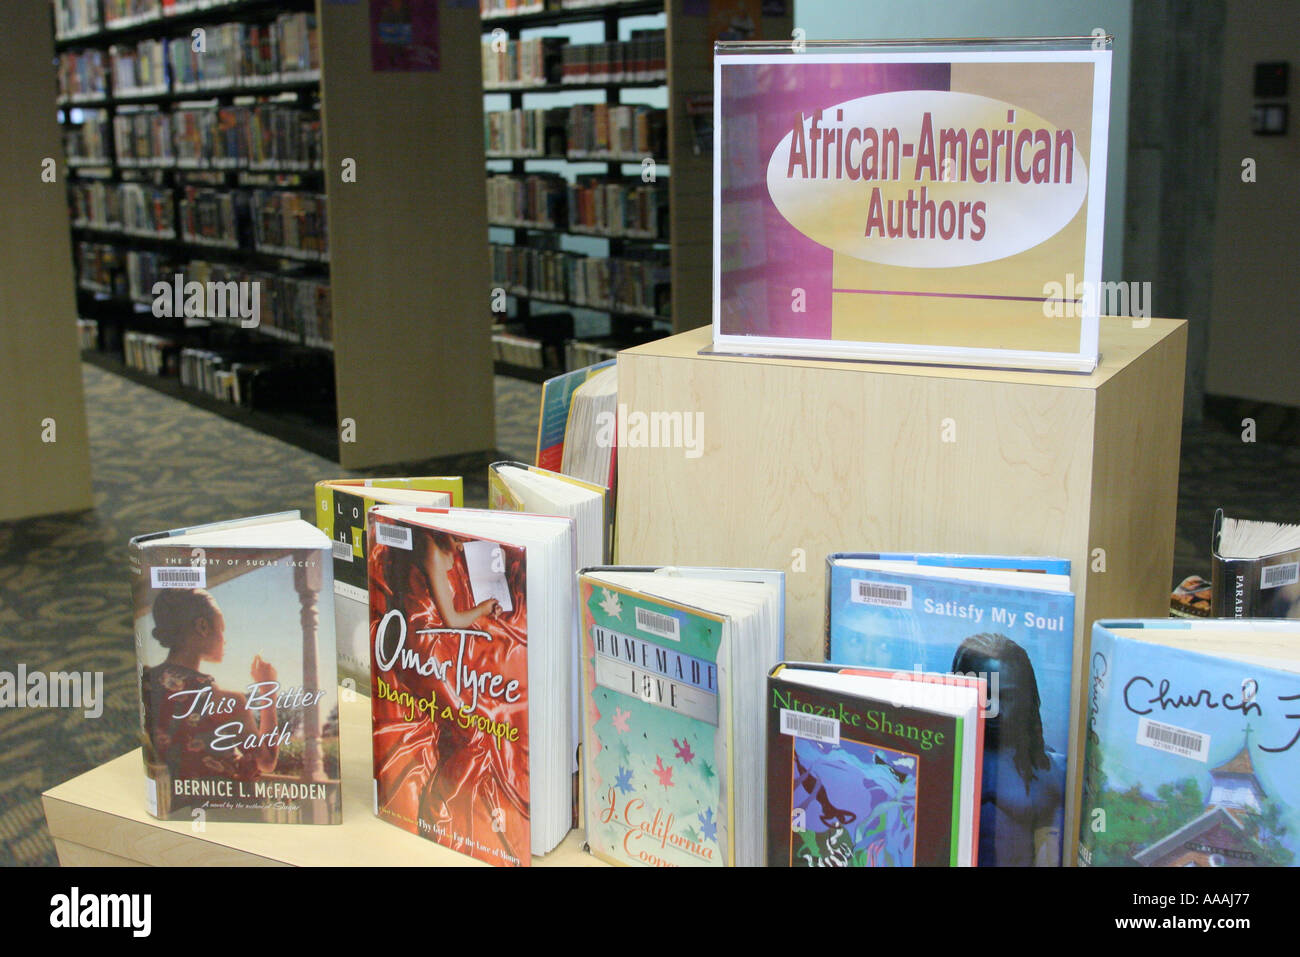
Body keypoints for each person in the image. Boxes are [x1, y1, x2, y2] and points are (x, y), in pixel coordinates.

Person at [371, 529, 529, 863]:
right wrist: (483, 608)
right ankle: (435, 817)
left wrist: (486, 610)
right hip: (424, 648)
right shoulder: (429, 546)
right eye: (458, 541)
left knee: (462, 728)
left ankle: (437, 818)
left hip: (435, 643)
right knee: (471, 732)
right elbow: (452, 617)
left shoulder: (438, 547)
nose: (460, 547)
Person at [142, 588, 280, 783]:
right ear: (203, 627)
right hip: (218, 806)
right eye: (222, 628)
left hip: (172, 801)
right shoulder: (223, 702)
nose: (225, 639)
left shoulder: (146, 681)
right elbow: (266, 762)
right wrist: (268, 689)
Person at [951, 633, 1065, 866]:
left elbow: (1051, 855)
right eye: (984, 694)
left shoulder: (1053, 771)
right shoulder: (934, 758)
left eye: (1008, 696)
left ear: (1027, 698)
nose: (994, 708)